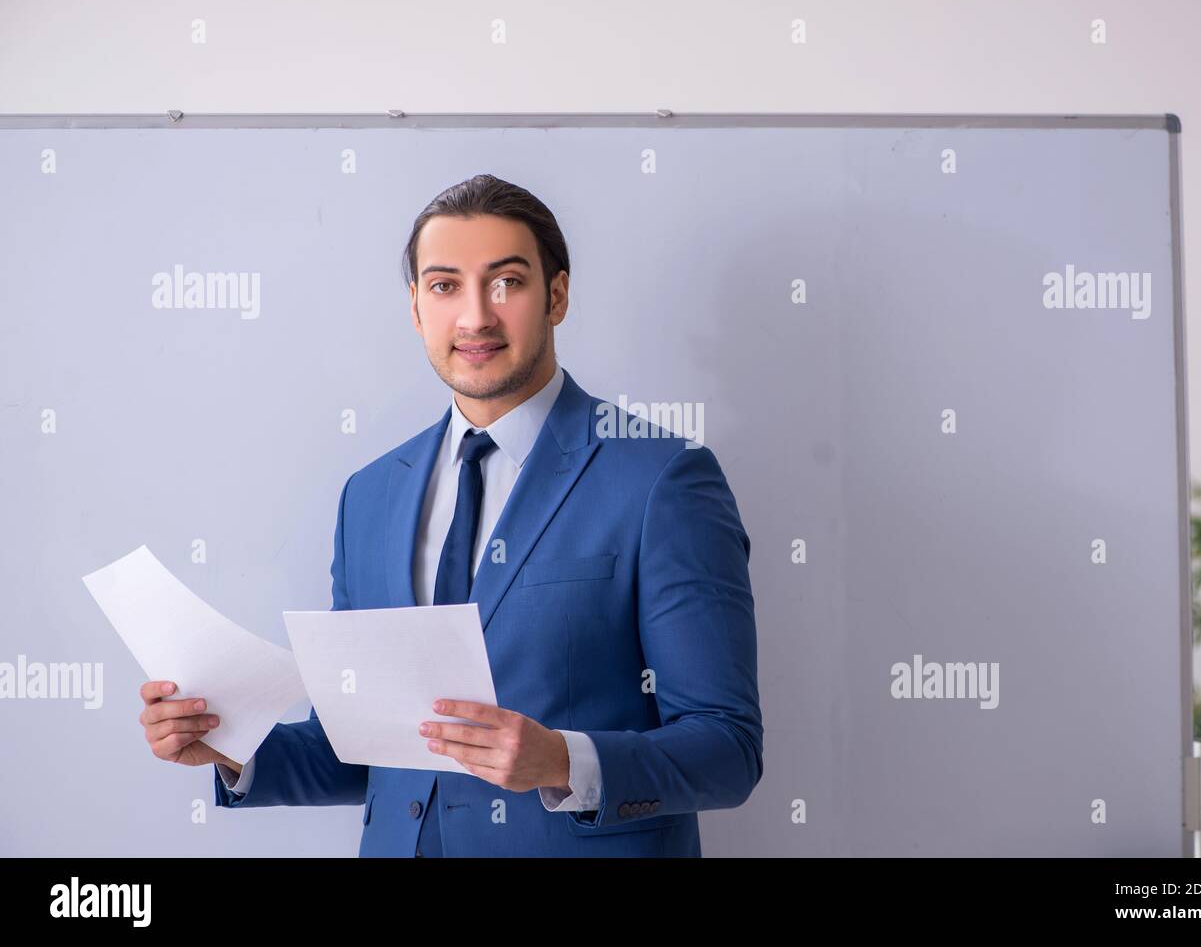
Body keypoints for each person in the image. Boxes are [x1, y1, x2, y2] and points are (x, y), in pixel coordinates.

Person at [137, 174, 763, 856]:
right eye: (444, 286)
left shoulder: (661, 479)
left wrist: (562, 760)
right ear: (415, 305)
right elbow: (362, 747)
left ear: (556, 294)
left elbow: (726, 747)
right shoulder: (368, 496)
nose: (475, 317)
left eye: (506, 282)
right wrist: (231, 749)